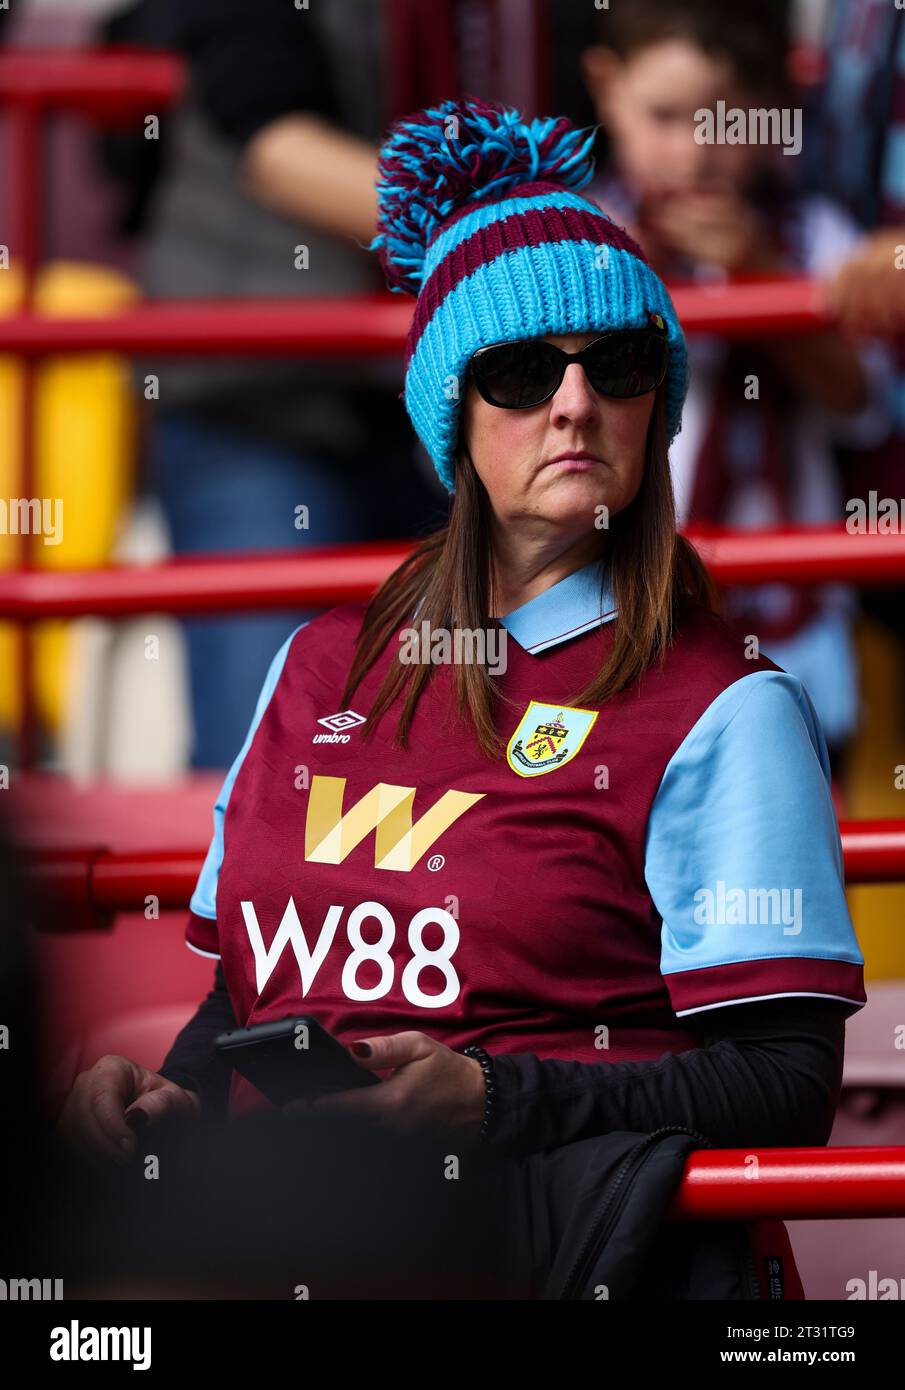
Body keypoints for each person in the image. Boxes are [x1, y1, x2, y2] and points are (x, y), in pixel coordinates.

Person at [58, 96, 867, 1300]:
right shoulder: (318, 661)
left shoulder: (724, 705)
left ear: (658, 403)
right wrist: (174, 1091)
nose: (574, 403)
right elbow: (250, 991)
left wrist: (500, 1100)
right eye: (519, 369)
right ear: (451, 409)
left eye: (620, 364)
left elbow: (785, 1084)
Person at [579, 0, 894, 782]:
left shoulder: (810, 236)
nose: (691, 152)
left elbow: (857, 406)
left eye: (721, 122)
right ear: (604, 88)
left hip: (789, 633)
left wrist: (762, 276)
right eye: (662, 116)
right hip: (613, 627)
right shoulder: (575, 238)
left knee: (791, 849)